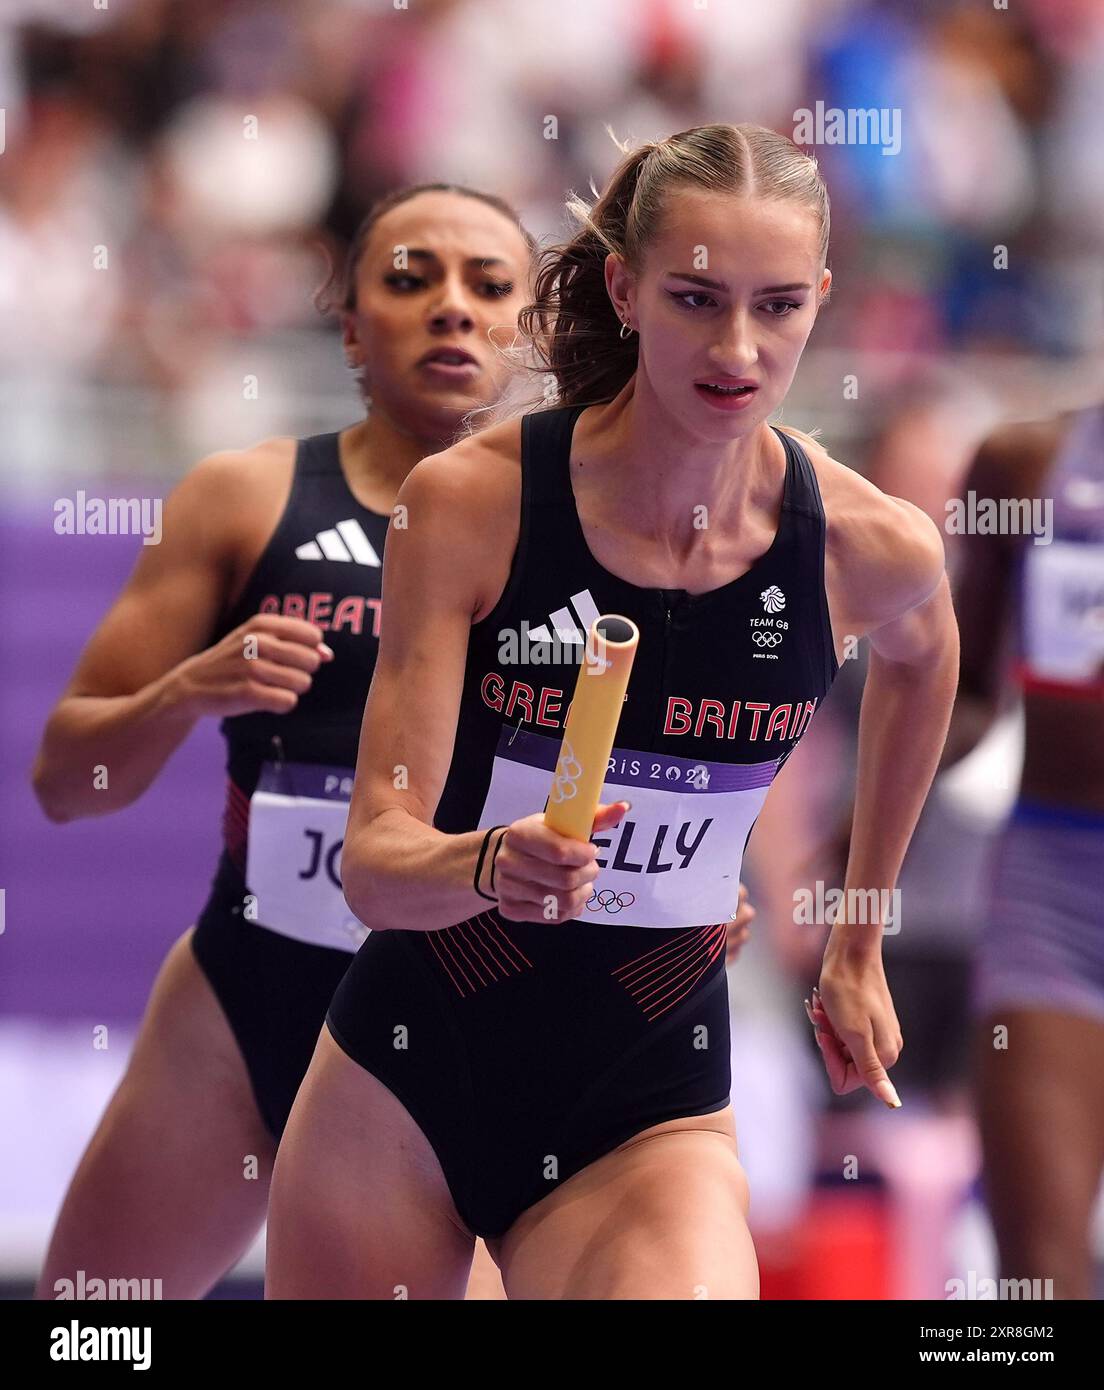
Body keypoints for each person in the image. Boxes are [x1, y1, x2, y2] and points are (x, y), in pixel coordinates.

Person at [265, 122, 959, 1301]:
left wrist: (858, 942)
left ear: (822, 301)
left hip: (647, 1106)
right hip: (407, 1078)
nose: (739, 347)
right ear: (625, 290)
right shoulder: (472, 504)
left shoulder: (865, 543)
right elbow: (378, 871)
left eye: (780, 306)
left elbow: (922, 663)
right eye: (695, 298)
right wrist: (494, 863)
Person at [31, 183, 538, 1300]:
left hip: (470, 1024)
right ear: (349, 324)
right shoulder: (247, 498)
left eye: (490, 285)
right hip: (246, 995)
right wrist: (185, 689)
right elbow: (67, 782)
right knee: (91, 1329)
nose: (452, 308)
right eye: (410, 279)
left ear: (533, 328)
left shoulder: (582, 528)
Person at [946, 404, 1104, 1300]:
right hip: (1055, 896)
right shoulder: (1023, 464)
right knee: (1037, 1286)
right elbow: (964, 691)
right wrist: (864, 831)